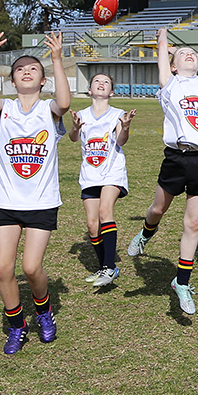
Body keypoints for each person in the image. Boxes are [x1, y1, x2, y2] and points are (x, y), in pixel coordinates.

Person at [0, 29, 70, 355]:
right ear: (13, 81)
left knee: (30, 268)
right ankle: (17, 325)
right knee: (3, 268)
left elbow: (65, 102)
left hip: (41, 201)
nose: (26, 70)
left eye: (33, 68)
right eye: (19, 69)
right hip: (6, 201)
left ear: (42, 80)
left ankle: (43, 311)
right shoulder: (6, 109)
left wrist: (56, 59)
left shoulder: (48, 111)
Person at [126, 29, 198, 316]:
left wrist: (187, 51)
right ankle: (145, 233)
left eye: (193, 54)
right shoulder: (170, 83)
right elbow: (164, 51)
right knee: (158, 208)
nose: (189, 55)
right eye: (182, 55)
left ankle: (182, 283)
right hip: (177, 158)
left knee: (192, 224)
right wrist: (164, 40)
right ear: (173, 65)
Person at [68, 72, 135, 288]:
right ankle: (105, 267)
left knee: (105, 211)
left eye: (106, 82)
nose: (101, 84)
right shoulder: (82, 114)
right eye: (97, 81)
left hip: (112, 172)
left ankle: (109, 267)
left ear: (111, 91)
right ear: (89, 90)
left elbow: (122, 141)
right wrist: (76, 127)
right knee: (91, 225)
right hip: (89, 174)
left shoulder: (117, 114)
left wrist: (124, 127)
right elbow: (73, 137)